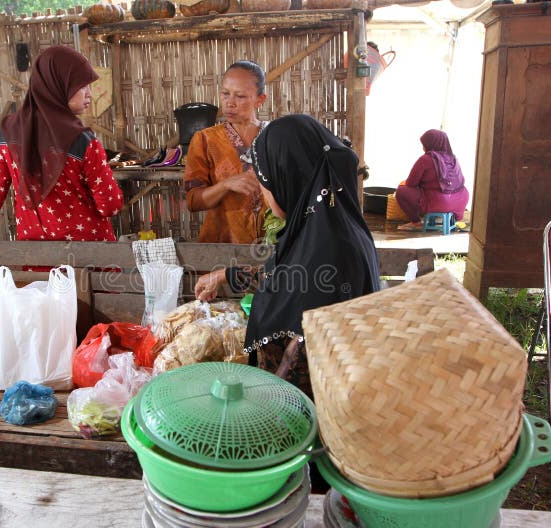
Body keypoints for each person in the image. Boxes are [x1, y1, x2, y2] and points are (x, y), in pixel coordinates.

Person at [193, 114, 381, 397]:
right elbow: (292, 280)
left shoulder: (329, 249)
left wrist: (254, 407)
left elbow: (295, 379)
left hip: (304, 425)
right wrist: (224, 276)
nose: (264, 195)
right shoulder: (326, 228)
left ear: (288, 177)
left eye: (263, 180)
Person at [0, 46, 123, 243]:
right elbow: (110, 205)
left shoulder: (6, 135)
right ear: (57, 85)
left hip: (37, 262)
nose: (89, 93)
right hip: (90, 261)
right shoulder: (83, 141)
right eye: (81, 86)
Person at [183, 60, 268, 243]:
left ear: (260, 100)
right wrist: (226, 185)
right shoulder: (205, 140)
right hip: (222, 247)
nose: (230, 103)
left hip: (273, 248)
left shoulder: (276, 138)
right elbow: (193, 201)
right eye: (225, 94)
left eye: (240, 96)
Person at [395, 129, 469, 231]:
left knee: (401, 191)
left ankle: (416, 222)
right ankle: (452, 220)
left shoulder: (426, 159)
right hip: (459, 202)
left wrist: (405, 184)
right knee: (461, 190)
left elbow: (411, 183)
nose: (423, 147)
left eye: (424, 144)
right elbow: (460, 182)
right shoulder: (453, 158)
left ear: (431, 144)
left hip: (438, 203)